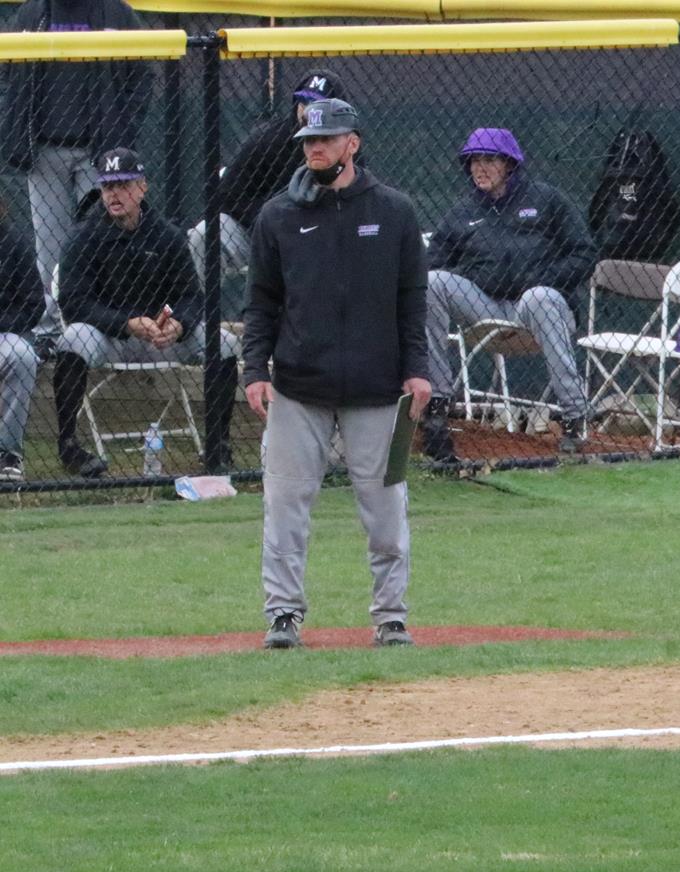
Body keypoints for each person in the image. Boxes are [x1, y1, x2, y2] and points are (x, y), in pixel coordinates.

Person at [242, 98, 430, 651]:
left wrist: (416, 370)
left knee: (385, 509)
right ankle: (283, 615)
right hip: (299, 386)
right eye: (308, 140)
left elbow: (411, 302)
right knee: (285, 505)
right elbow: (261, 304)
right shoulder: (278, 215)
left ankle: (391, 617)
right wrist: (256, 370)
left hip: (376, 387)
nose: (315, 147)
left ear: (353, 144)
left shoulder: (395, 211)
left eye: (326, 138)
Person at [51, 146, 238, 478]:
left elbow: (191, 297)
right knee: (73, 336)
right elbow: (74, 303)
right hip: (110, 336)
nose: (115, 194)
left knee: (222, 342)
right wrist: (125, 323)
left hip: (161, 336)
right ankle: (68, 446)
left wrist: (178, 324)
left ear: (142, 187)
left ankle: (218, 446)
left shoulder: (165, 234)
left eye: (124, 184)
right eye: (108, 186)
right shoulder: (84, 237)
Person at [422, 126, 597, 460]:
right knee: (431, 283)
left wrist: (542, 278)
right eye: (473, 161)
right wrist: (469, 274)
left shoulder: (547, 200)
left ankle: (574, 416)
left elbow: (584, 253)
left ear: (509, 164)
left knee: (540, 297)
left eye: (489, 159)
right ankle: (439, 403)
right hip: (485, 307)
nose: (480, 168)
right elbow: (435, 262)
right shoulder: (463, 212)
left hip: (537, 310)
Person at [1, 0, 150, 344]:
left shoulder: (116, 12)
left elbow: (141, 75)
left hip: (99, 155)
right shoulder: (31, 13)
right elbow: (7, 74)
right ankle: (51, 332)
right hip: (43, 151)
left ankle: (101, 325)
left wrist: (122, 130)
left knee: (99, 240)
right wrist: (14, 122)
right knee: (50, 248)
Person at [190, 68, 346, 281]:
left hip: (317, 237)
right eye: (304, 101)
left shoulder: (346, 147)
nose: (306, 109)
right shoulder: (268, 139)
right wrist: (268, 222)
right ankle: (201, 311)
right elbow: (226, 194)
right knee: (204, 233)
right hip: (258, 232)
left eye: (316, 103)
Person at [0, 216, 40, 483]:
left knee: (23, 355)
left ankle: (6, 453)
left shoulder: (13, 241)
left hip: (3, 334)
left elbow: (35, 304)